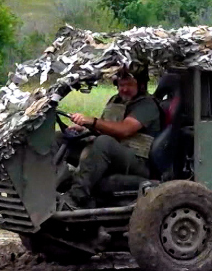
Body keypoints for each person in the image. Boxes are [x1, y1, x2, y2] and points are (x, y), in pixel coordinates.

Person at [61, 68, 161, 209]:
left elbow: (124, 130)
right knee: (62, 138)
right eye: (121, 85)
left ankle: (76, 197)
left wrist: (93, 121)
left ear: (141, 85)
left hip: (137, 161)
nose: (124, 89)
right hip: (115, 154)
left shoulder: (147, 105)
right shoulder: (115, 100)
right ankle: (52, 186)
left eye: (129, 85)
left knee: (104, 143)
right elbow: (105, 125)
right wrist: (83, 128)